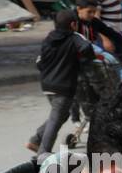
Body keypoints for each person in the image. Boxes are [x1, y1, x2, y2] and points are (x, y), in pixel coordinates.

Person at [26, 9, 94, 159]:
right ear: (73, 24)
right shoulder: (75, 38)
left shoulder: (49, 38)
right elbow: (87, 48)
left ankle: (36, 140)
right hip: (63, 86)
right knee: (57, 118)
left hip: (47, 84)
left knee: (61, 114)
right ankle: (43, 152)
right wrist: (84, 60)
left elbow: (40, 62)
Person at [76, 0, 122, 64]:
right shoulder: (71, 21)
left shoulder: (94, 22)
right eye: (89, 12)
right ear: (79, 9)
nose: (92, 15)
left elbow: (113, 33)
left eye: (94, 12)